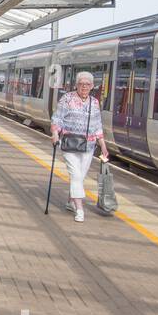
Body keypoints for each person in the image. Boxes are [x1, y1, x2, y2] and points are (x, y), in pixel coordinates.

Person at [50, 71, 109, 223]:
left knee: (80, 177)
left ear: (92, 86)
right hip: (69, 144)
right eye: (81, 84)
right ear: (76, 85)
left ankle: (71, 201)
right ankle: (80, 209)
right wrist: (55, 134)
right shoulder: (67, 98)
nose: (84, 87)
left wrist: (102, 145)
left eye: (87, 84)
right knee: (76, 176)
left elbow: (97, 125)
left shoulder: (94, 102)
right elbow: (57, 118)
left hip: (88, 146)